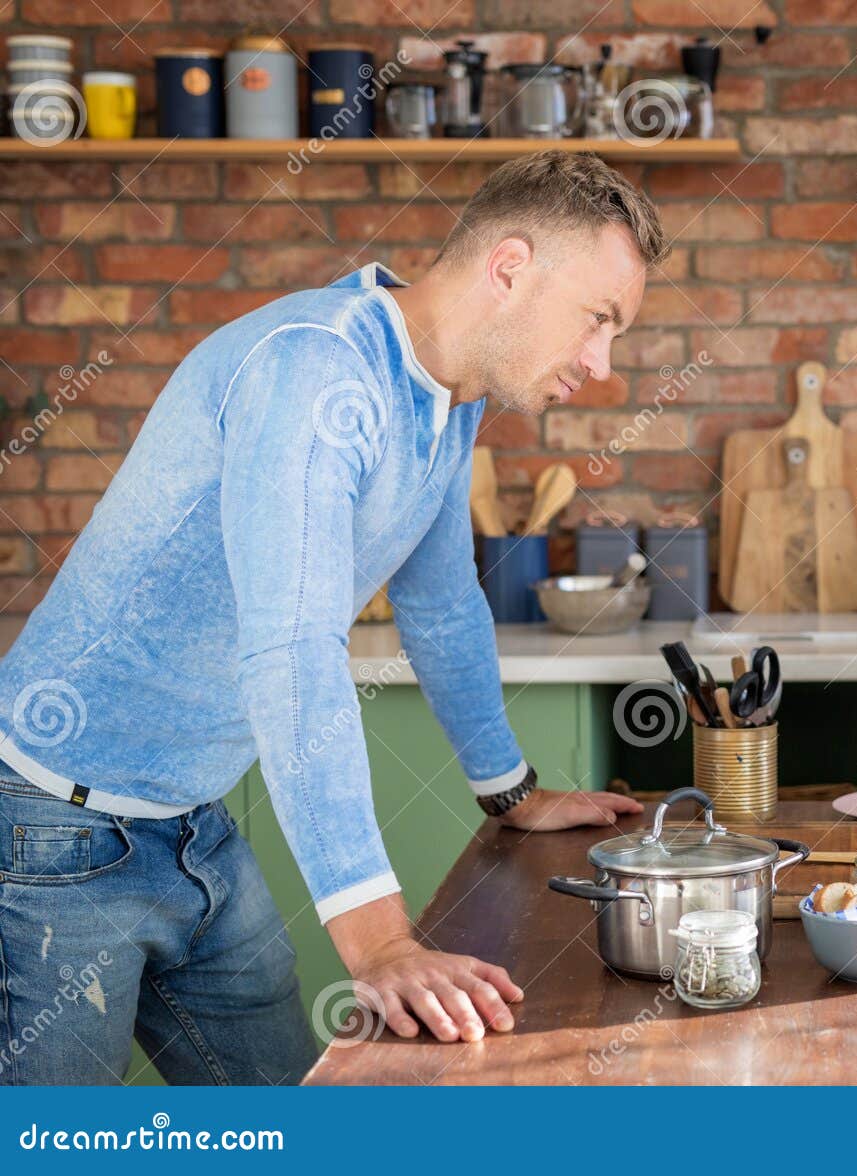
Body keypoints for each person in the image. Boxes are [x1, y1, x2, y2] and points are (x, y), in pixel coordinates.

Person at [0, 152, 662, 1085]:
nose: (600, 364)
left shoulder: (447, 399)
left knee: (293, 1124)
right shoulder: (316, 367)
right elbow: (294, 652)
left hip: (193, 826)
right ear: (511, 267)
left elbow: (439, 603)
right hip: (49, 835)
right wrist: (382, 946)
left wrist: (510, 791)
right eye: (600, 320)